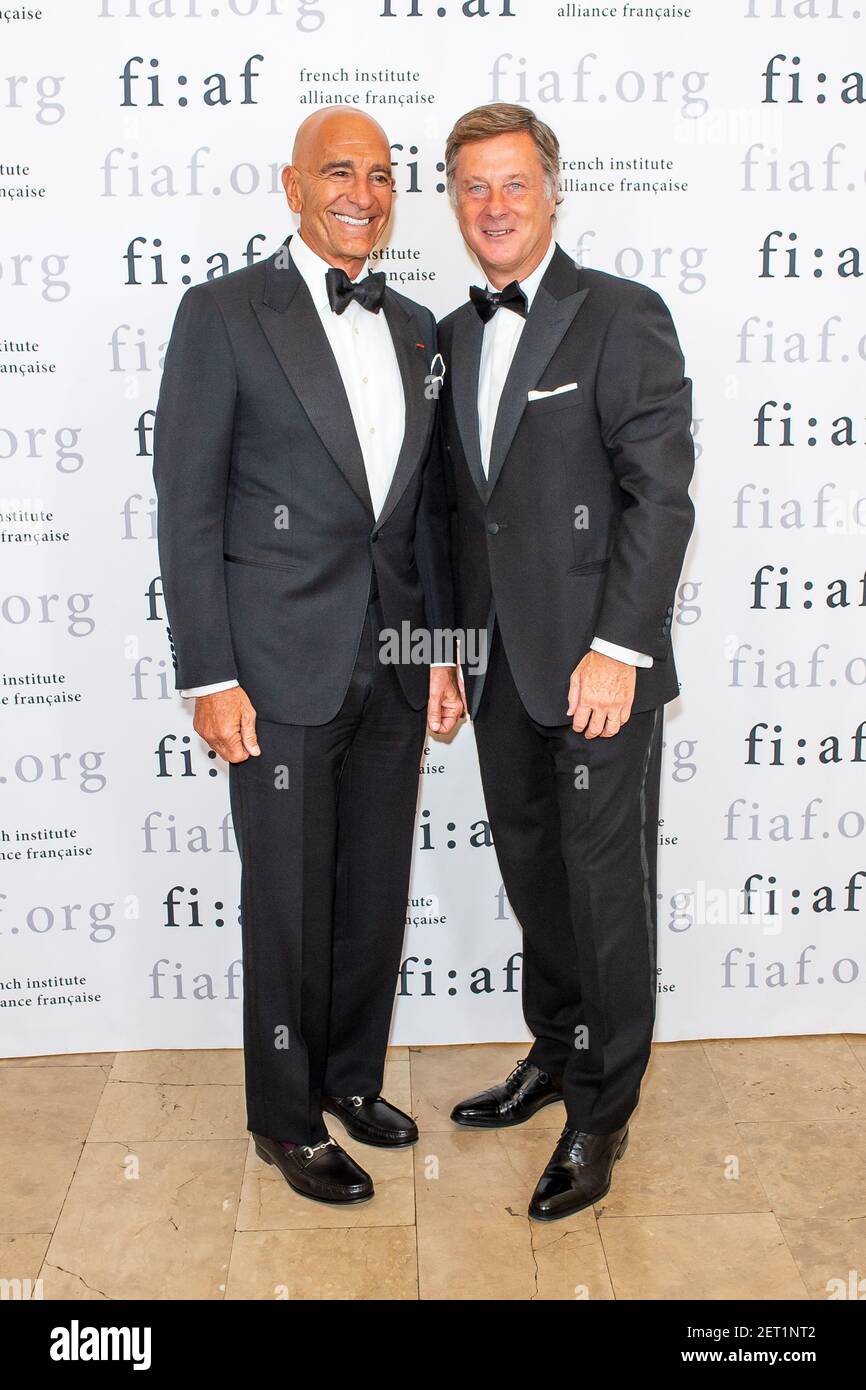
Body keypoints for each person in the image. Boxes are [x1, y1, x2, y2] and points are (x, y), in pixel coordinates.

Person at [153, 108, 461, 1206]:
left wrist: (438, 652)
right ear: (292, 185)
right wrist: (208, 673)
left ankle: (349, 1077)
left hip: (389, 659)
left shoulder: (420, 327)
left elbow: (422, 514)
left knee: (373, 890)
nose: (362, 194)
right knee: (286, 899)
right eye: (339, 172)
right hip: (273, 668)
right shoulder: (224, 313)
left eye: (380, 176)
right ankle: (285, 1118)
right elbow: (185, 507)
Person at [438, 102, 695, 1220]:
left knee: (603, 898)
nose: (492, 207)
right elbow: (449, 521)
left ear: (551, 191)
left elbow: (659, 498)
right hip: (497, 671)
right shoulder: (449, 337)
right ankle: (554, 1051)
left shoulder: (621, 316)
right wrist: (448, 652)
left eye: (510, 184)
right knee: (535, 880)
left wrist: (616, 649)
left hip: (597, 673)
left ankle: (599, 1114)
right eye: (471, 188)